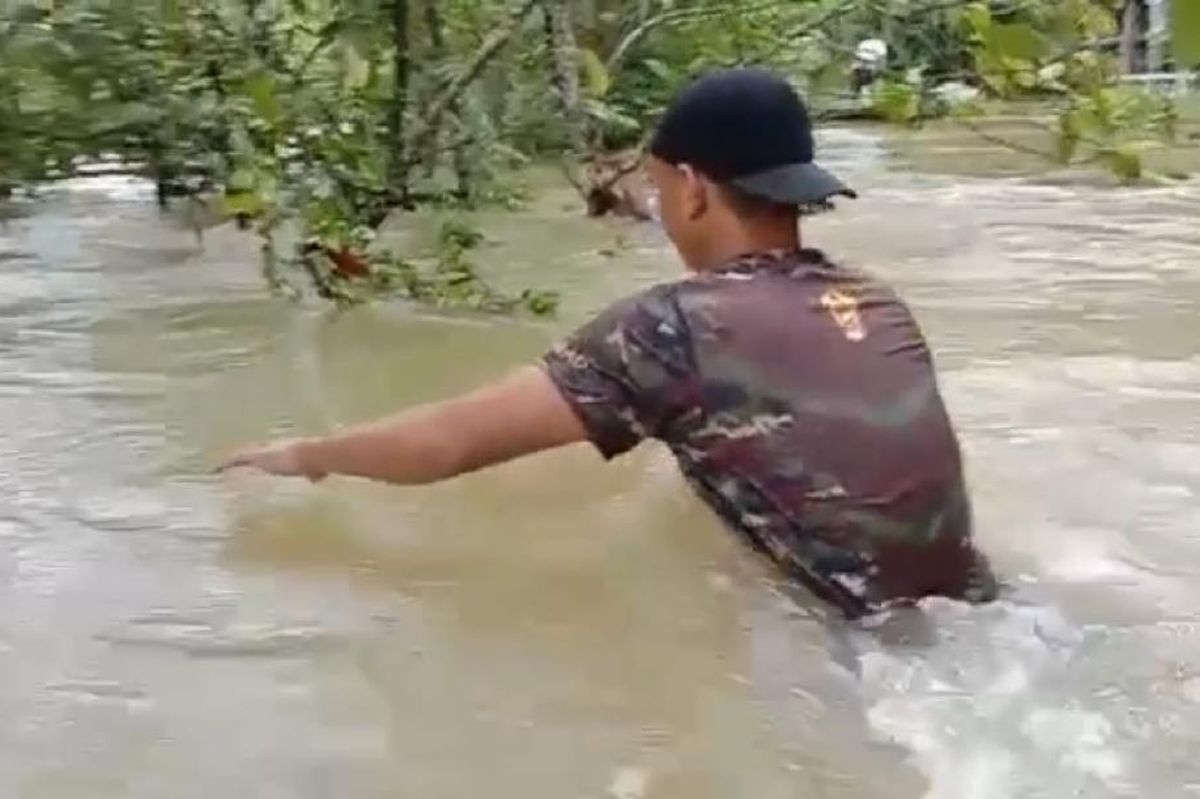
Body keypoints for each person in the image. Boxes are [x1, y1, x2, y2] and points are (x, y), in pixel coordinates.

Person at [219, 68, 998, 620]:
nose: (659, 210)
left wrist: (305, 455)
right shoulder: (876, 301)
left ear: (694, 189)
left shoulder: (675, 327)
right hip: (979, 614)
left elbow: (445, 446)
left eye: (659, 189)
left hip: (854, 649)